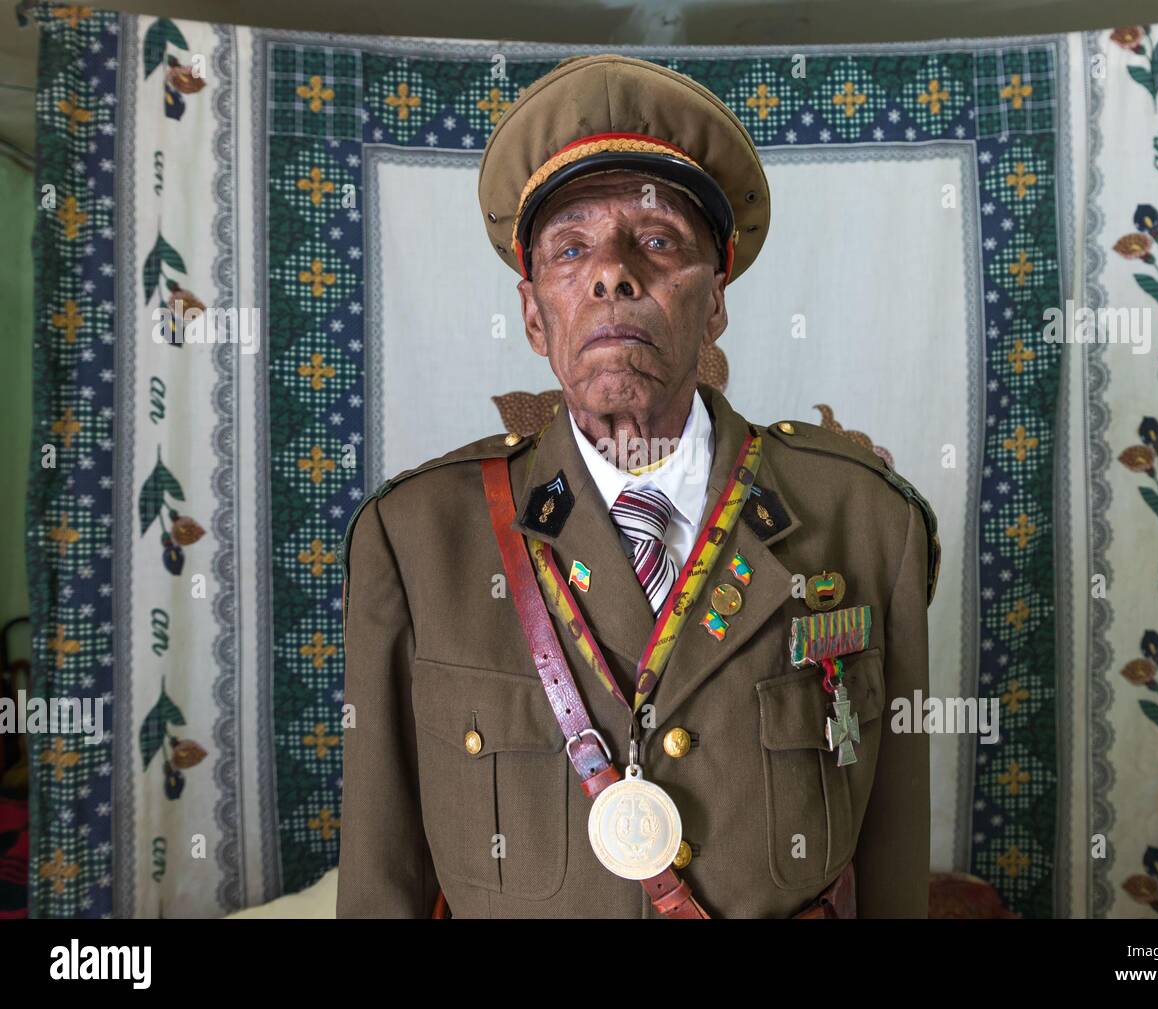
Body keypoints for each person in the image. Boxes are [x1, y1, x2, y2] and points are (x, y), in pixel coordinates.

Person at [335, 54, 939, 919]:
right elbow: (380, 882)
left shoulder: (865, 525)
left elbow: (893, 865)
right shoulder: (420, 539)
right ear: (536, 313)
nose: (614, 273)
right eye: (572, 248)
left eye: (658, 243)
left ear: (717, 301)